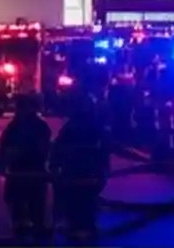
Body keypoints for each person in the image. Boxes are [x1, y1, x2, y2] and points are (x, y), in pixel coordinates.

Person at [50, 93, 110, 242]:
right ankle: (84, 226)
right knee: (84, 201)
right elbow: (105, 148)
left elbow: (58, 147)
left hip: (75, 172)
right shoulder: (95, 126)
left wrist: (55, 165)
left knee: (74, 200)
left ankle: (75, 225)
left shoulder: (71, 127)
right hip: (87, 172)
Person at [0, 94, 52, 241]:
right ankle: (22, 226)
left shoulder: (37, 127)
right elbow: (4, 146)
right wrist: (2, 161)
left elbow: (44, 148)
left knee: (35, 203)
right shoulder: (15, 127)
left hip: (32, 171)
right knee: (17, 202)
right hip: (18, 172)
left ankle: (35, 226)